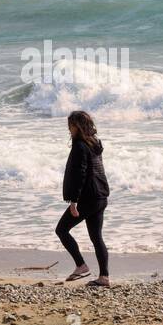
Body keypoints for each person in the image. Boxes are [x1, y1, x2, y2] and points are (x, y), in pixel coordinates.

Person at [56, 110, 111, 287]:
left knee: (62, 230)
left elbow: (80, 173)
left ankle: (81, 265)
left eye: (70, 126)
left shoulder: (80, 146)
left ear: (77, 126)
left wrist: (74, 200)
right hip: (101, 195)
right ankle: (104, 277)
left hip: (88, 198)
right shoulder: (95, 143)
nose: (69, 130)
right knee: (96, 237)